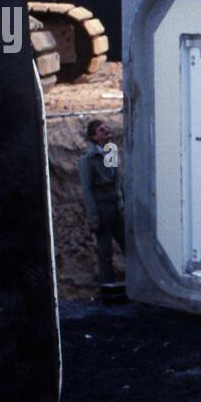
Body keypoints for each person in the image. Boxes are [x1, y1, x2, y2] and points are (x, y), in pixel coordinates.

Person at [79, 119, 125, 285]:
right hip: (102, 211)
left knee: (129, 247)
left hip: (117, 209)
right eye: (101, 129)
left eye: (105, 127)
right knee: (105, 254)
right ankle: (109, 291)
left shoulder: (111, 152)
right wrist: (93, 217)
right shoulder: (88, 159)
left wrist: (123, 205)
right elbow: (87, 190)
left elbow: (119, 181)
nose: (106, 130)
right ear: (93, 136)